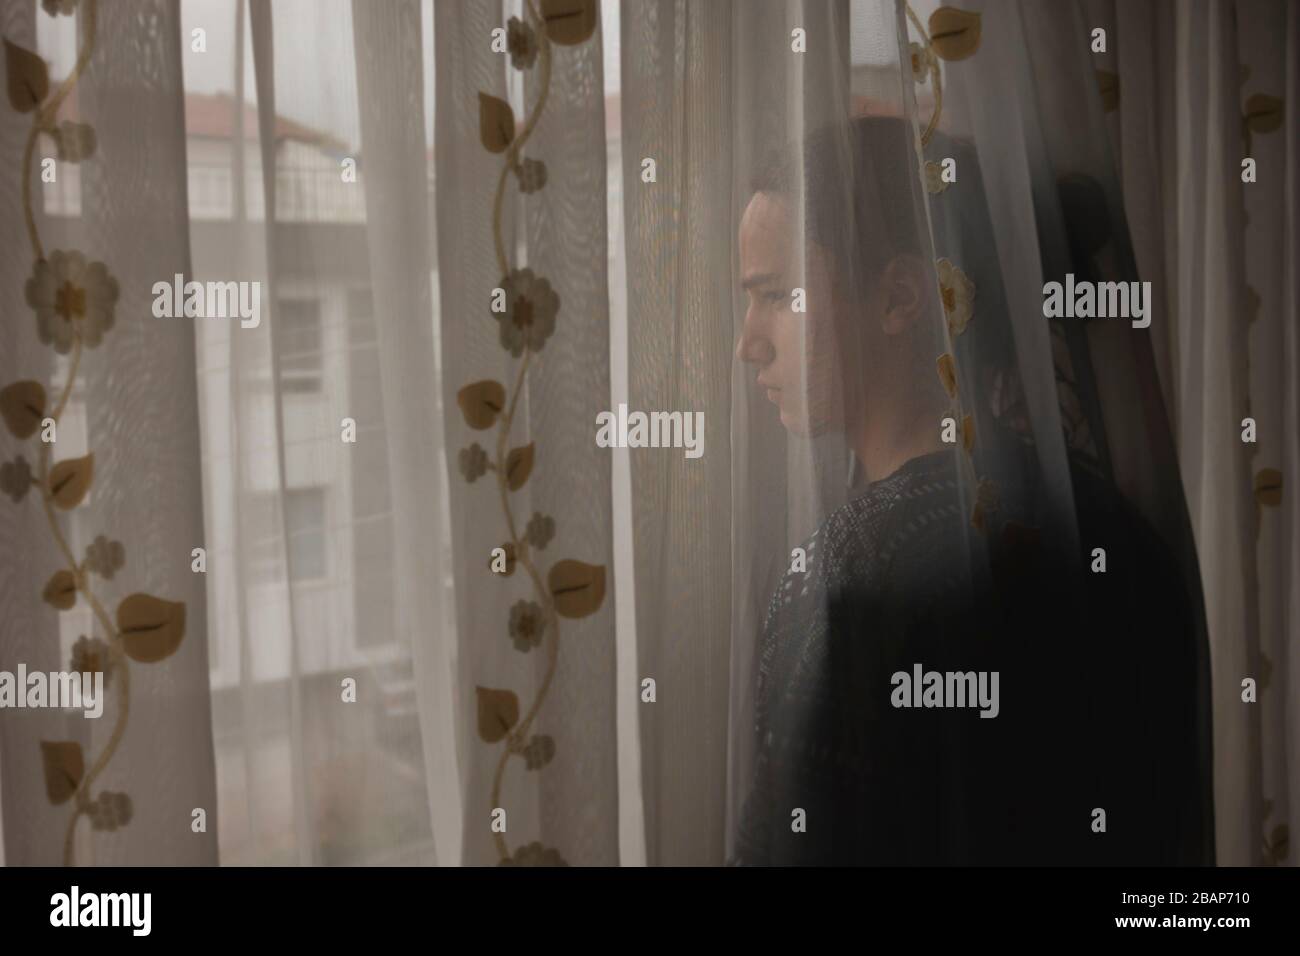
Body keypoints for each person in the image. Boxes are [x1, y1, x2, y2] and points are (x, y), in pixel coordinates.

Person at [728, 115, 1214, 866]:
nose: (748, 342)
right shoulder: (1117, 536)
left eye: (775, 295)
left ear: (900, 297)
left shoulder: (849, 578)